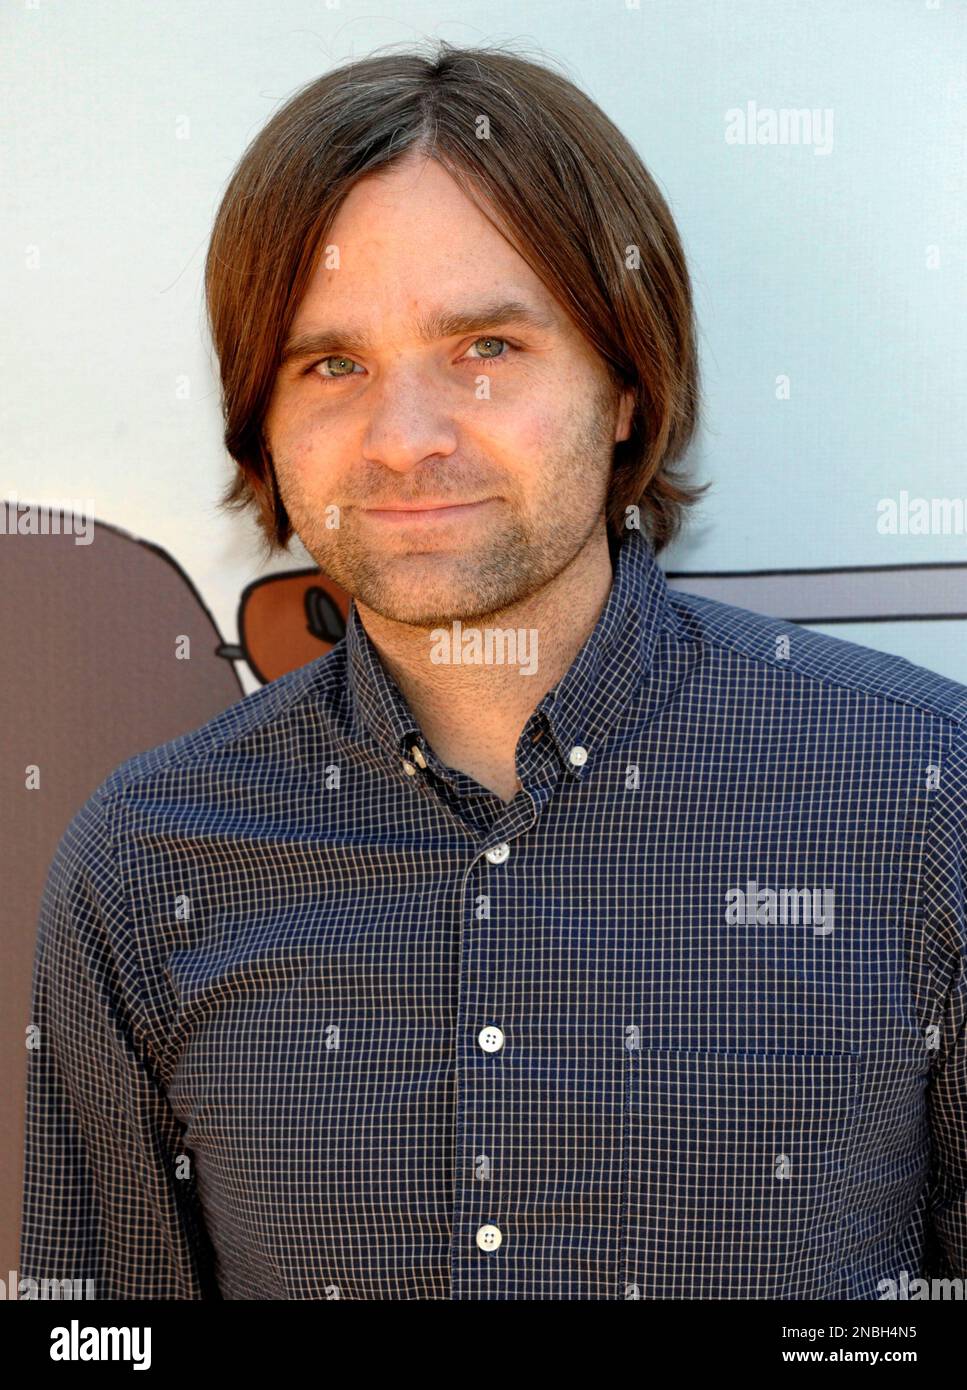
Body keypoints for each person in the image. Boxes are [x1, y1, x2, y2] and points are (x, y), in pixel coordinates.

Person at [20, 40, 966, 1300]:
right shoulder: (144, 870)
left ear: (627, 382)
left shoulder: (919, 798)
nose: (406, 440)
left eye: (485, 347)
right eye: (332, 364)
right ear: (263, 413)